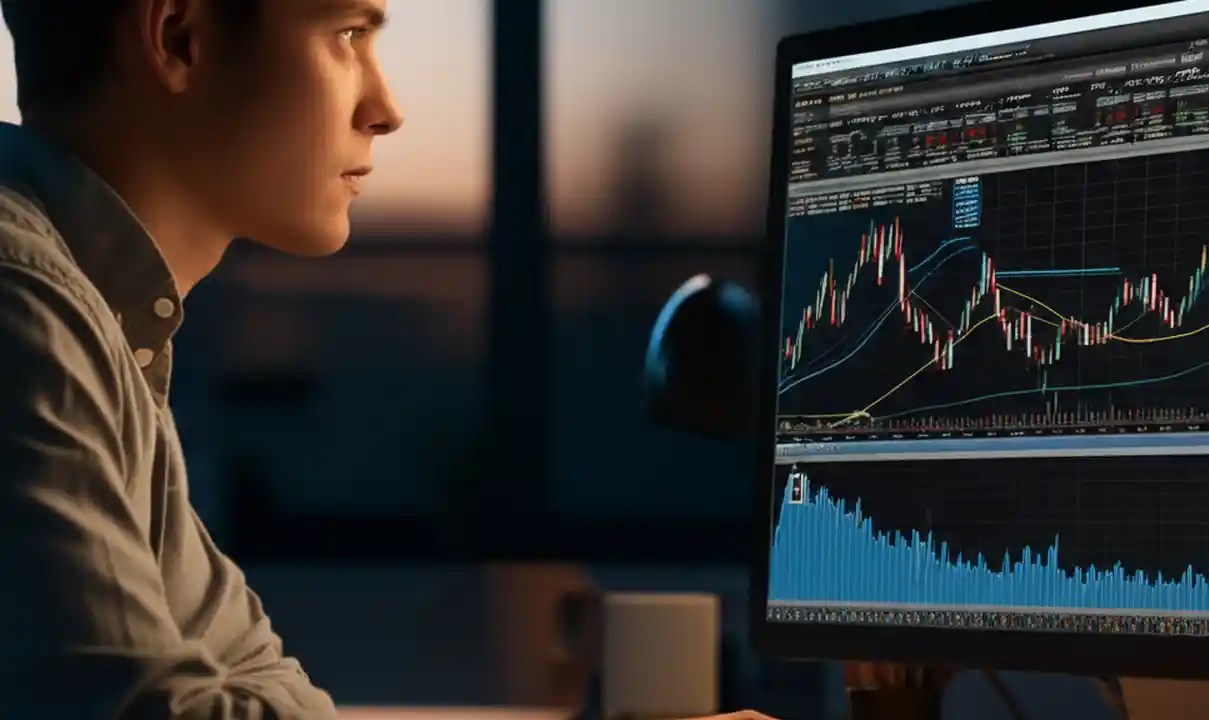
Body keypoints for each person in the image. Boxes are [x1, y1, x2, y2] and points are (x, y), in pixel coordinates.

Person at [0, 0, 779, 718]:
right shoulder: (23, 306)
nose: (387, 109)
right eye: (347, 35)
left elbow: (259, 680)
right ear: (180, 39)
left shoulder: (101, 326)